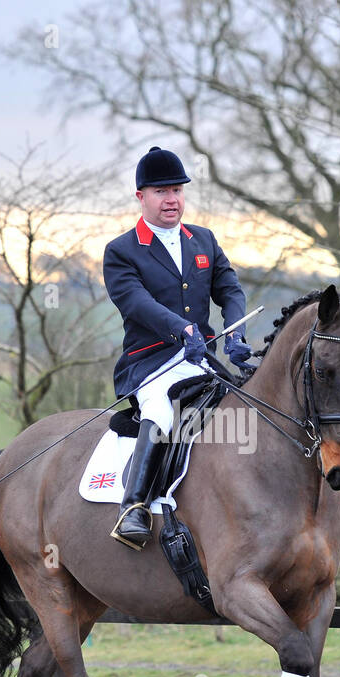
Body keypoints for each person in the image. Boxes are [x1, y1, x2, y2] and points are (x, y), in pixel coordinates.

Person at [103, 145, 253, 550]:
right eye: (161, 192)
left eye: (177, 191)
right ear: (141, 197)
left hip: (200, 359)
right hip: (150, 363)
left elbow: (230, 288)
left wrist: (236, 334)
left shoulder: (203, 240)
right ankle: (133, 507)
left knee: (245, 410)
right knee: (161, 411)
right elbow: (137, 303)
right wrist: (182, 328)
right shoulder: (121, 251)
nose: (172, 200)